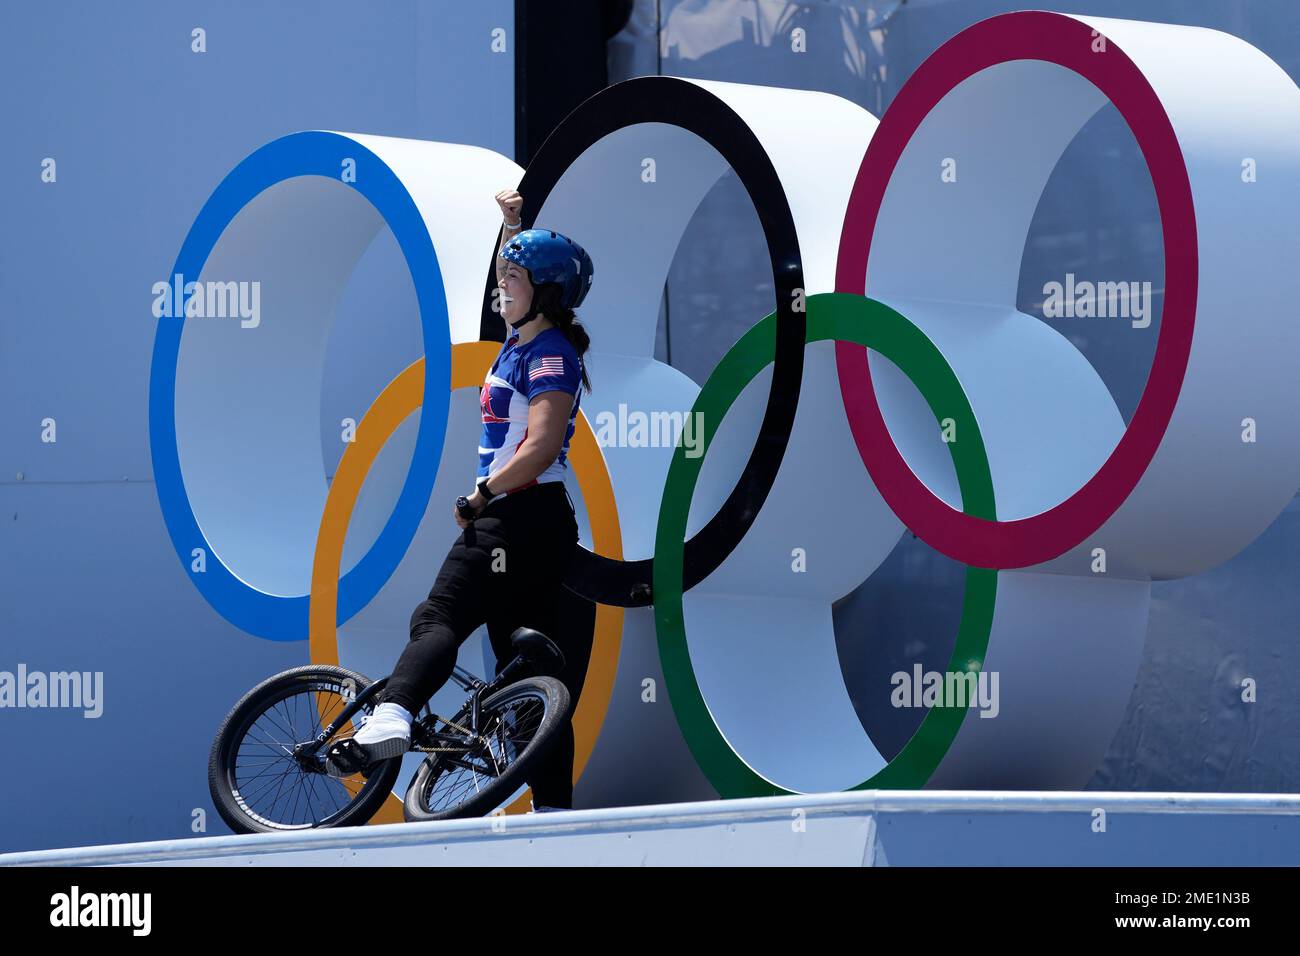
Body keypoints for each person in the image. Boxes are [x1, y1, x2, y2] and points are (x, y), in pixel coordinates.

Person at [326, 189, 596, 814]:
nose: (503, 287)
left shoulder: (549, 352)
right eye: (502, 276)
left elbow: (543, 442)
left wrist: (483, 492)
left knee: (437, 615)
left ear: (546, 292)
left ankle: (393, 713)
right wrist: (513, 230)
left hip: (519, 516)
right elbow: (513, 282)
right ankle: (556, 814)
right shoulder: (523, 339)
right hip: (538, 525)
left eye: (515, 279)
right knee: (534, 685)